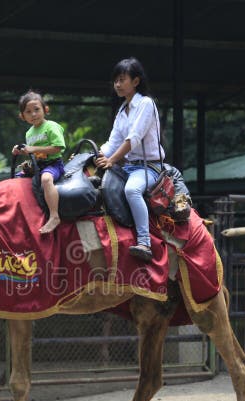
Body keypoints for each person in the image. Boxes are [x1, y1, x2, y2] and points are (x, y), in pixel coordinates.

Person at [95, 57, 163, 262]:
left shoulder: (146, 104)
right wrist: (93, 155)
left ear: (135, 81)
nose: (117, 84)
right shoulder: (122, 110)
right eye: (115, 80)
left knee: (131, 190)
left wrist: (112, 160)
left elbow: (133, 139)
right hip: (128, 168)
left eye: (122, 79)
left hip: (148, 168)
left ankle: (144, 242)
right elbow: (112, 142)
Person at [12, 91, 67, 234]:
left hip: (53, 164)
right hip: (37, 166)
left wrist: (33, 148)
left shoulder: (51, 126)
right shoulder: (29, 133)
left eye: (37, 109)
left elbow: (57, 148)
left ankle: (54, 216)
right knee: (16, 180)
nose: (34, 114)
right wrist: (21, 150)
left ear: (45, 110)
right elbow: (33, 152)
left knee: (46, 179)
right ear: (22, 116)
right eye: (28, 112)